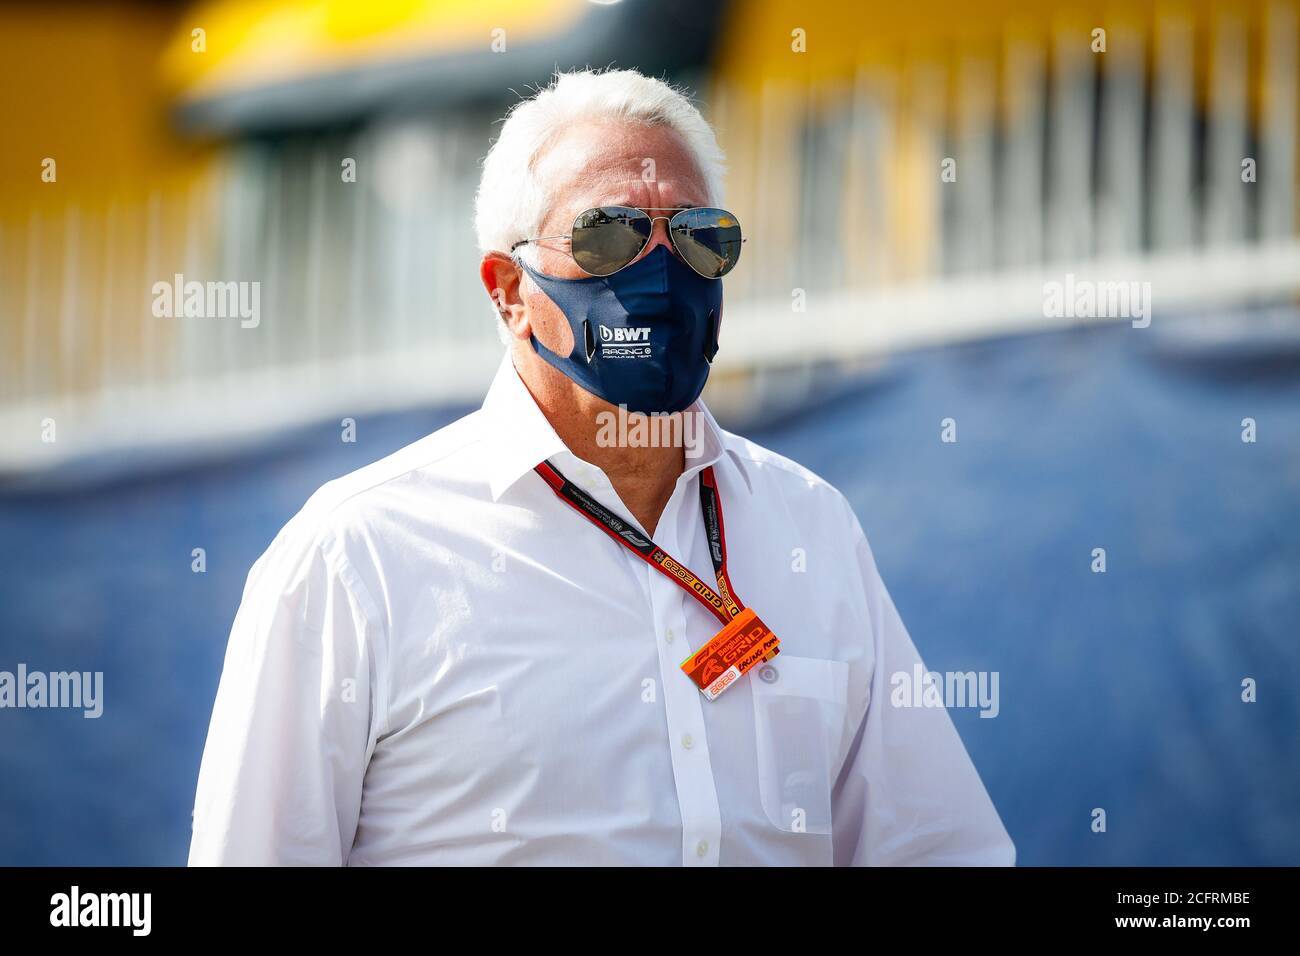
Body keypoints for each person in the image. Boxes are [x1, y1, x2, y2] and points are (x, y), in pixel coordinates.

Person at [188, 68, 1015, 866]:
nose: (657, 272)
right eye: (608, 233)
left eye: (697, 237)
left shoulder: (811, 525)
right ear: (508, 288)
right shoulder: (354, 558)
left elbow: (936, 848)